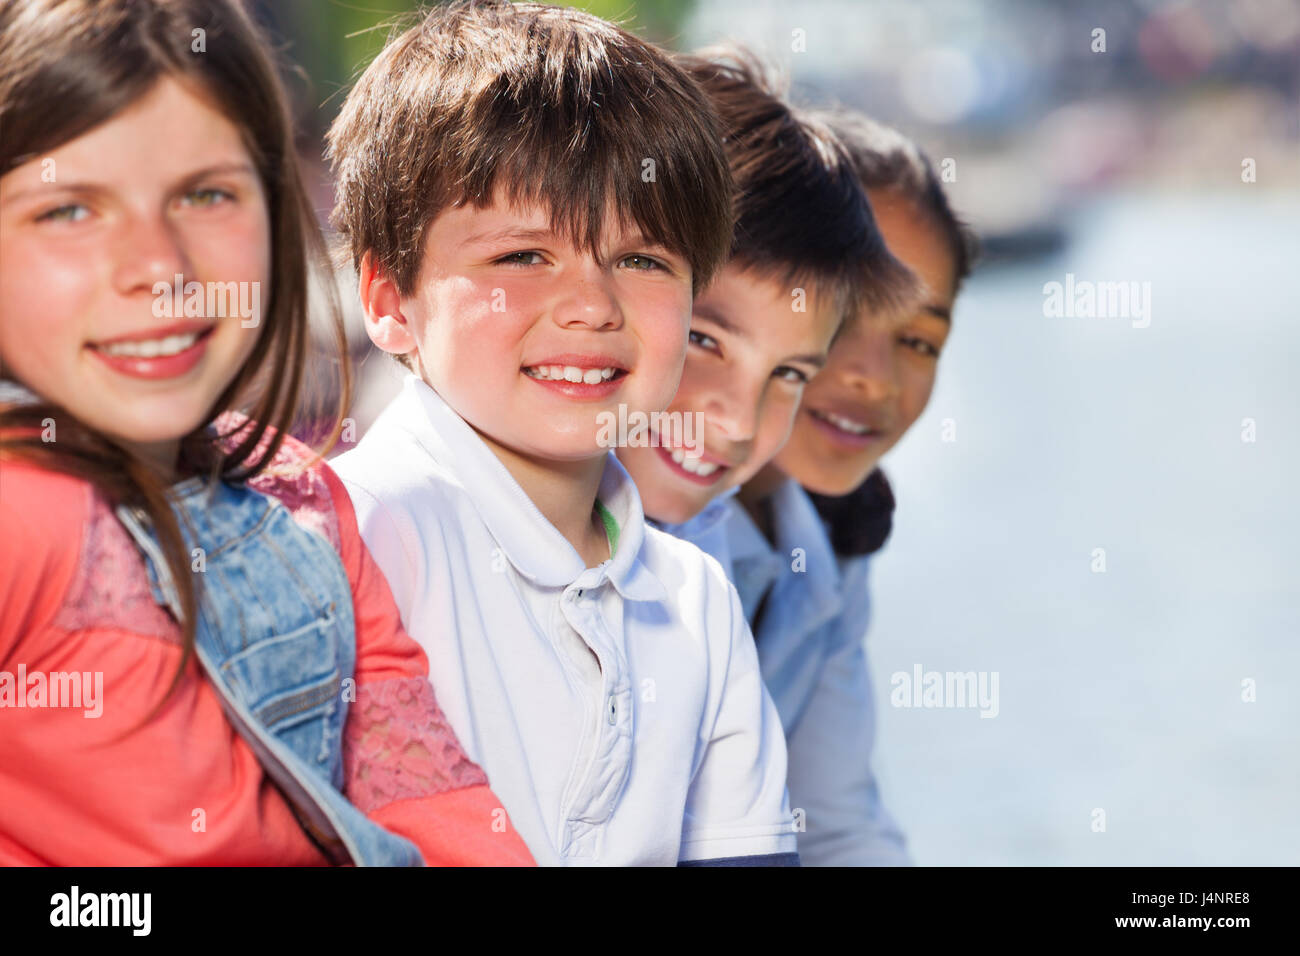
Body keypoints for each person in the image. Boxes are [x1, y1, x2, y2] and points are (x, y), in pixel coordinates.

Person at [0, 0, 532, 867]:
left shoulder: (301, 494)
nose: (161, 269)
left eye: (206, 195)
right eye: (69, 211)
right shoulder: (21, 510)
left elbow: (424, 786)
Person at [328, 0, 797, 866]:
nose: (592, 306)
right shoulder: (357, 539)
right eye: (521, 257)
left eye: (642, 260)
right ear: (391, 301)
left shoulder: (695, 597)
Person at [733, 109, 979, 865]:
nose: (874, 375)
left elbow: (835, 826)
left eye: (918, 340)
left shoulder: (830, 545)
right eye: (842, 315)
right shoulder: (627, 517)